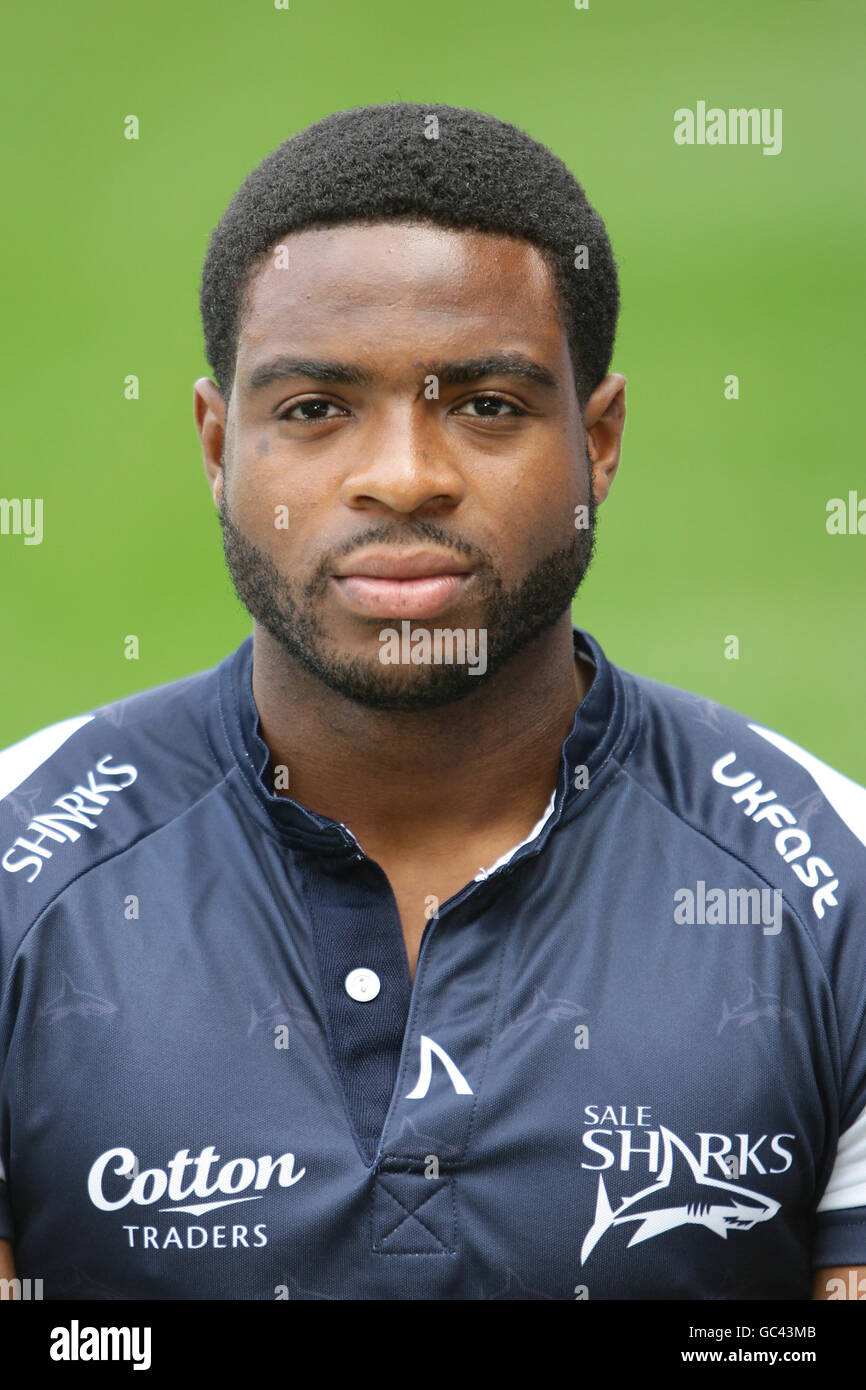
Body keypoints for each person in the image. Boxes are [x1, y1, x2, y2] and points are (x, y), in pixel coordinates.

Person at [1, 102, 864, 1301]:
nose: (402, 475)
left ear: (597, 438)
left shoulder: (831, 890)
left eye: (487, 406)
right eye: (312, 408)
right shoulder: (22, 864)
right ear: (215, 444)